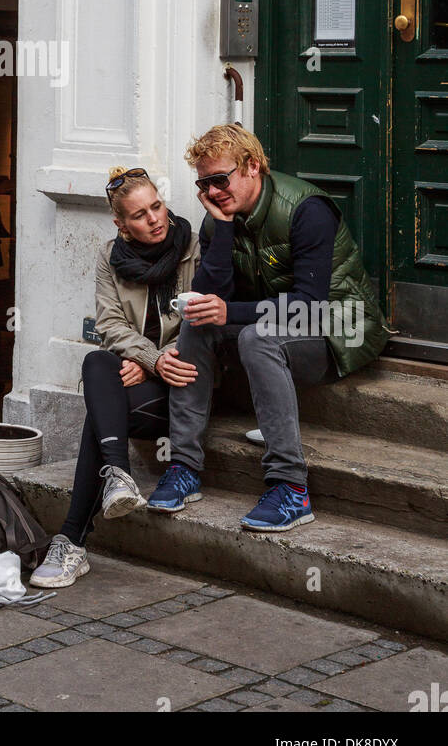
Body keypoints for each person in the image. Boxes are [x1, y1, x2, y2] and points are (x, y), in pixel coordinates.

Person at [147, 124, 389, 532]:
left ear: (252, 166)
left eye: (220, 179)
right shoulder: (217, 218)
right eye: (203, 183)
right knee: (197, 323)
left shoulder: (306, 208)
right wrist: (221, 229)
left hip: (339, 327)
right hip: (273, 326)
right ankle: (184, 467)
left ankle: (291, 487)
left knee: (255, 337)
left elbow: (310, 304)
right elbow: (210, 298)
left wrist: (232, 314)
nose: (212, 191)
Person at [29, 166, 200, 589]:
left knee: (99, 415)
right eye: (140, 215)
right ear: (121, 225)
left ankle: (72, 538)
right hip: (143, 382)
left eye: (157, 206)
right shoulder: (110, 257)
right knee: (97, 364)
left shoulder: (194, 247)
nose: (155, 219)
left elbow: (200, 326)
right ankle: (117, 478)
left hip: (187, 382)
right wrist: (147, 360)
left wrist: (151, 360)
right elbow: (109, 326)